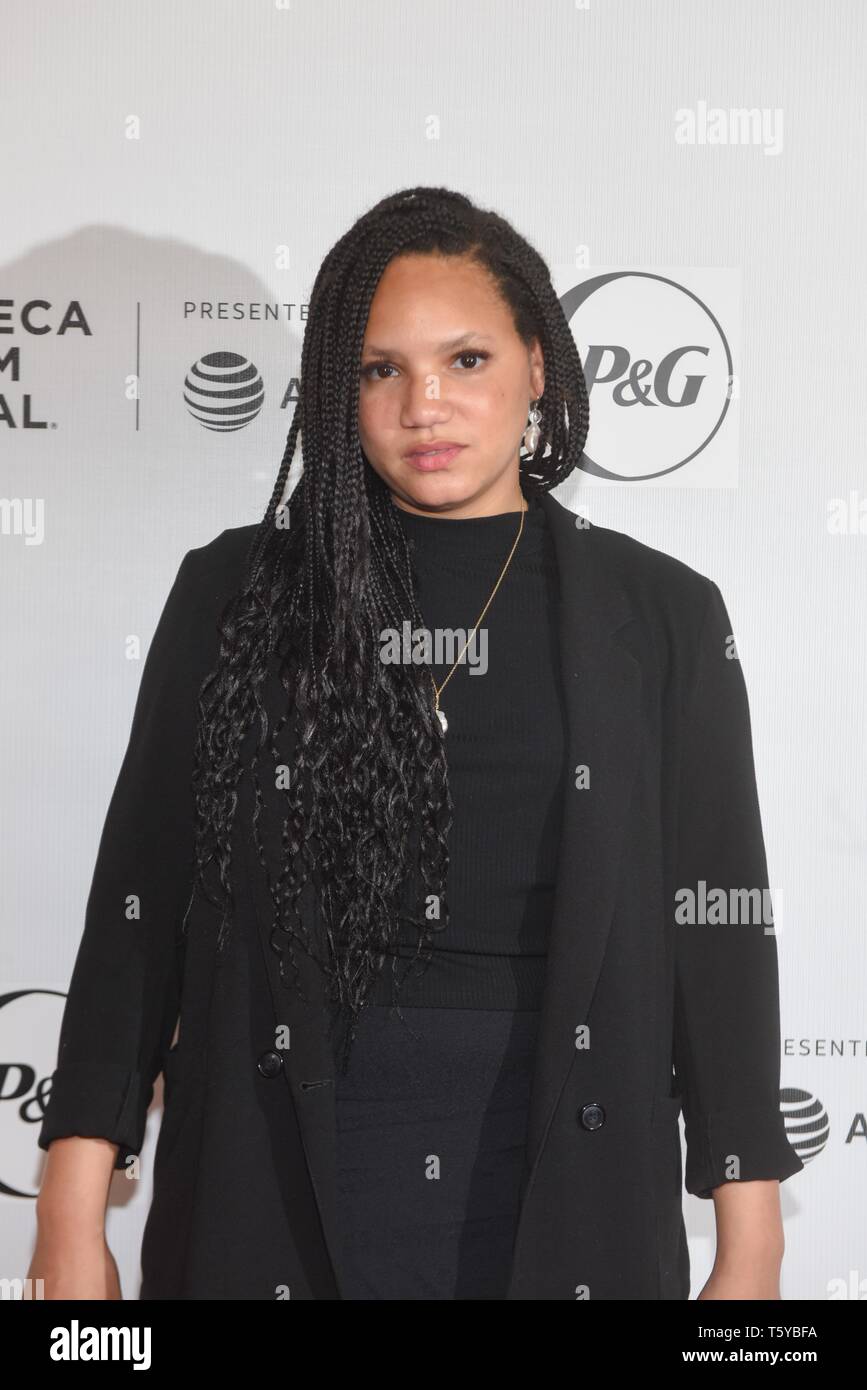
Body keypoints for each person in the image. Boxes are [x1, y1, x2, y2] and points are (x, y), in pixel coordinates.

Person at [28, 185, 802, 1301]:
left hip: (566, 1180)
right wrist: (68, 1210)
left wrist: (753, 1247)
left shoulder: (661, 613)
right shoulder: (235, 592)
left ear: (540, 365)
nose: (424, 404)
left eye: (467, 361)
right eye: (381, 369)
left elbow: (719, 935)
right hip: (271, 1176)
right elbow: (138, 908)